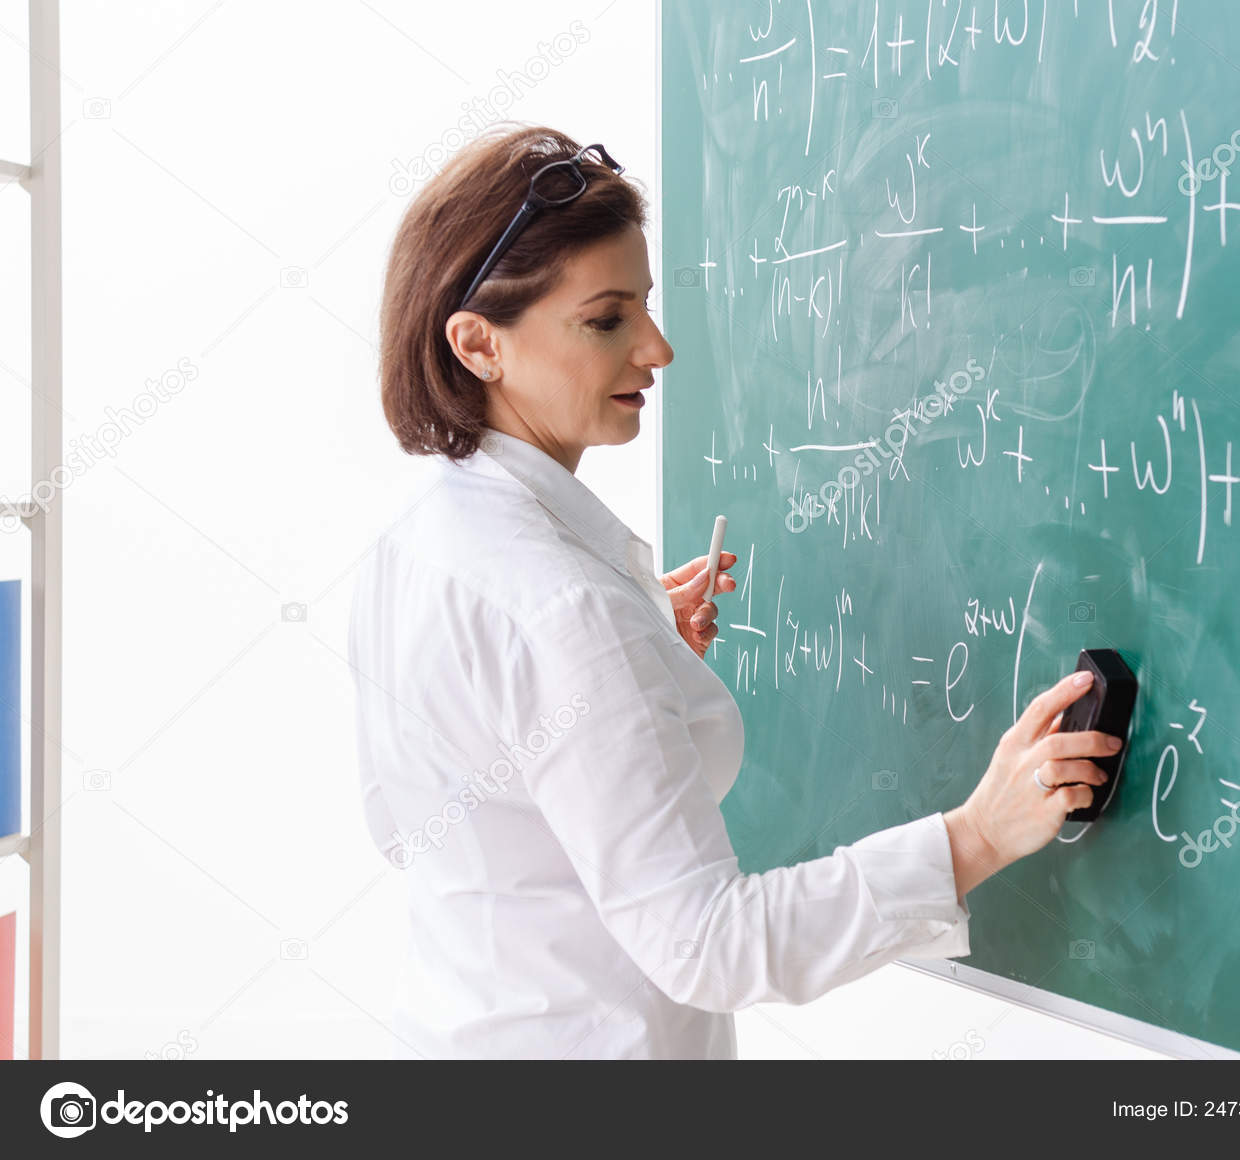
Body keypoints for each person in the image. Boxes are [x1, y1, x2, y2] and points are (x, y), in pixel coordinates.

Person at [349, 125, 1122, 1058]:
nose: (659, 349)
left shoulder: (419, 537)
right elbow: (707, 946)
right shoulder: (565, 611)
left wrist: (633, 674)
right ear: (479, 344)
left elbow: (406, 824)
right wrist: (977, 837)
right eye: (607, 320)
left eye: (646, 305)